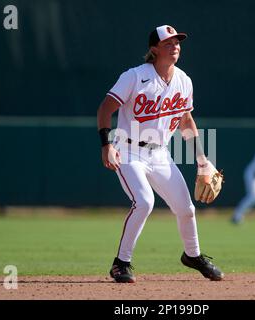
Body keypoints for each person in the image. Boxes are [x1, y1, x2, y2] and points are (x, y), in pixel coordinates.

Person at [97, 25, 224, 283]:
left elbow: (186, 121)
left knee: (186, 209)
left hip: (160, 154)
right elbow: (104, 109)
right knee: (144, 203)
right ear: (154, 49)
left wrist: (202, 159)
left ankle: (193, 256)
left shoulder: (183, 80)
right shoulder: (134, 76)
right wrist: (106, 145)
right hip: (128, 150)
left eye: (177, 42)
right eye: (168, 43)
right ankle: (121, 263)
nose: (175, 46)